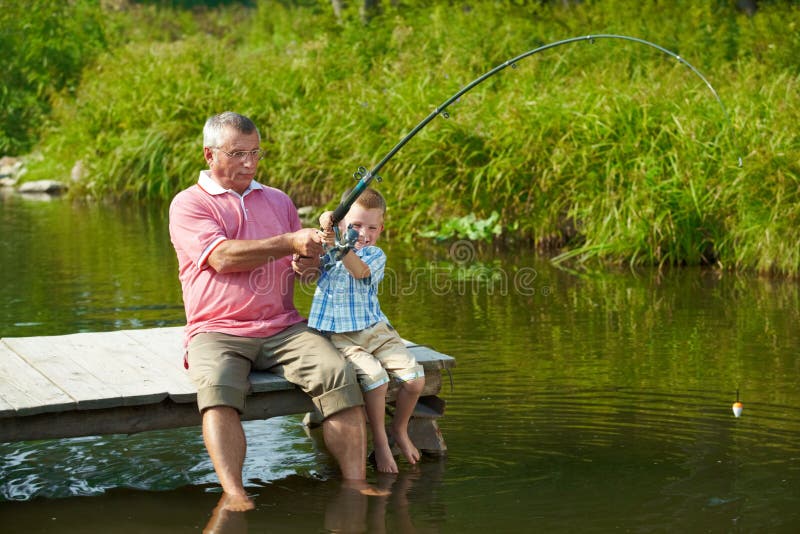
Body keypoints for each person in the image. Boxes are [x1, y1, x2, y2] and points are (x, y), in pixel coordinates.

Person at [169, 111, 371, 512]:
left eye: (256, 153)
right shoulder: (189, 204)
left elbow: (305, 272)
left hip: (283, 327)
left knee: (338, 373)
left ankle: (355, 484)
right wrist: (290, 242)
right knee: (218, 391)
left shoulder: (278, 200)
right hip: (217, 329)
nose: (249, 162)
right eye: (238, 153)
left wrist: (308, 261)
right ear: (210, 154)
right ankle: (235, 493)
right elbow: (223, 258)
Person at [309, 188, 425, 474]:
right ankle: (382, 442)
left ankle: (399, 429)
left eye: (372, 227)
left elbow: (359, 271)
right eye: (356, 225)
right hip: (341, 337)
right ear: (342, 224)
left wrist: (339, 242)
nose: (364, 233)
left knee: (415, 379)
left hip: (376, 330)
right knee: (376, 378)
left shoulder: (375, 255)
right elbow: (308, 264)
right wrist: (326, 228)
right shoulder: (327, 251)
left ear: (381, 229)